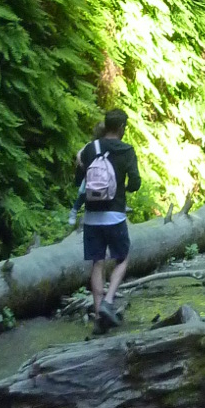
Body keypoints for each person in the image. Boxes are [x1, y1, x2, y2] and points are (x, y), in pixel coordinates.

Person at [73, 109, 140, 332]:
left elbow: (78, 182)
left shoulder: (92, 148)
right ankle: (109, 302)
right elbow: (135, 184)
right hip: (115, 216)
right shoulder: (127, 150)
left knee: (97, 263)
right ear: (121, 128)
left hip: (91, 218)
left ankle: (99, 316)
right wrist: (123, 186)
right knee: (122, 258)